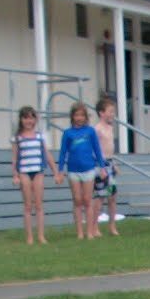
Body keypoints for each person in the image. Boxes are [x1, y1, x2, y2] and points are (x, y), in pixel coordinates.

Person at [57, 102, 108, 241]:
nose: (79, 118)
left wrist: (102, 167)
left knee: (87, 200)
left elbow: (97, 150)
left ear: (85, 117)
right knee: (77, 200)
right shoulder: (68, 133)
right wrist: (60, 170)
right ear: (72, 117)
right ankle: (79, 232)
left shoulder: (90, 131)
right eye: (76, 115)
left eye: (81, 115)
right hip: (73, 170)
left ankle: (89, 232)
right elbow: (63, 152)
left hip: (88, 169)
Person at [11, 105, 55, 245]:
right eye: (25, 118)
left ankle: (41, 236)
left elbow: (46, 154)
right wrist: (15, 174)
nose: (28, 121)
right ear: (21, 120)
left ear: (35, 119)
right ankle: (29, 237)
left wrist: (55, 170)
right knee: (27, 205)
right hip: (24, 171)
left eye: (31, 117)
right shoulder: (17, 138)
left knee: (39, 204)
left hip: (38, 171)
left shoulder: (39, 136)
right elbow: (14, 157)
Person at [94, 97, 121, 235]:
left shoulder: (110, 128)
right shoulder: (97, 129)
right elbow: (95, 149)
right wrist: (101, 167)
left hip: (109, 162)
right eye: (110, 111)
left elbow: (110, 148)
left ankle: (111, 226)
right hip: (101, 164)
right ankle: (94, 227)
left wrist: (114, 163)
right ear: (101, 112)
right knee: (100, 196)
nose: (112, 114)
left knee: (112, 195)